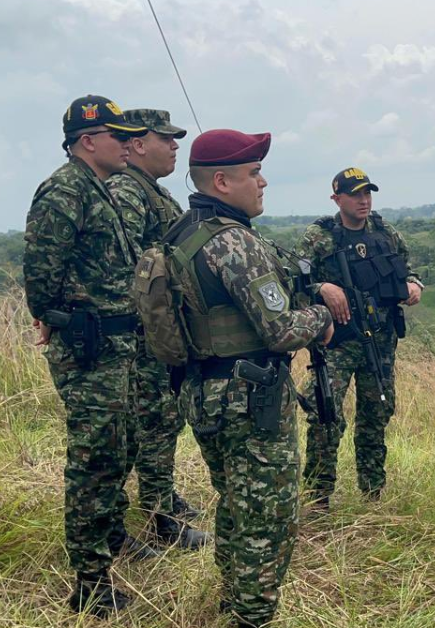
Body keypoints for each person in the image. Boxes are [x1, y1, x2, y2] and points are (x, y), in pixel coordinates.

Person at [171, 128, 334, 627]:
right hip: (250, 396)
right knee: (270, 517)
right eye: (252, 173)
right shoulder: (235, 243)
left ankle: (233, 600)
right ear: (221, 181)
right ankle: (253, 617)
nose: (262, 182)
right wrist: (322, 316)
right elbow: (282, 329)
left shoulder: (182, 234)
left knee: (236, 503)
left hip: (203, 391)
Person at [22, 95, 152, 617]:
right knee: (93, 459)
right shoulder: (63, 191)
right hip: (89, 346)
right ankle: (89, 582)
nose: (128, 145)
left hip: (117, 343)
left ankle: (110, 543)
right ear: (87, 140)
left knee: (117, 451)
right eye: (119, 137)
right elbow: (41, 277)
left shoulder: (97, 187)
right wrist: (63, 324)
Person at [105, 108, 208, 549]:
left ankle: (161, 502)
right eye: (165, 139)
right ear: (136, 144)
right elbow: (128, 266)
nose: (174, 147)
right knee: (152, 423)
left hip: (156, 331)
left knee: (161, 421)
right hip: (139, 333)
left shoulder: (151, 191)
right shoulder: (127, 191)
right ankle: (160, 518)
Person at [298, 167, 423, 509]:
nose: (363, 200)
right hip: (336, 340)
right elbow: (294, 282)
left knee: (376, 412)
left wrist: (414, 285)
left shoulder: (385, 233)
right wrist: (321, 288)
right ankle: (319, 495)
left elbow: (408, 268)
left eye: (367, 193)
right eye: (355, 194)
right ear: (337, 199)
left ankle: (373, 492)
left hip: (380, 340)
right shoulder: (319, 237)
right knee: (326, 414)